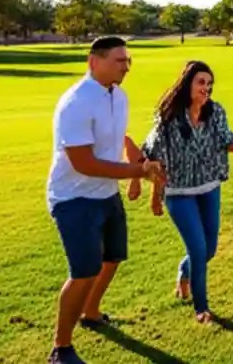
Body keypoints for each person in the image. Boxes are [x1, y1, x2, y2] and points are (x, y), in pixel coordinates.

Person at [45, 36, 164, 364]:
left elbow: (118, 136)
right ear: (93, 61)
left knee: (112, 258)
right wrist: (137, 172)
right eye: (118, 60)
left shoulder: (118, 95)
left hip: (106, 194)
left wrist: (134, 156)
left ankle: (91, 311)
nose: (125, 66)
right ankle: (61, 349)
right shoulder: (76, 103)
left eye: (128, 61)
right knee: (83, 271)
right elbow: (84, 163)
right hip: (75, 198)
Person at [139, 60, 233, 324]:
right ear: (188, 84)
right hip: (179, 192)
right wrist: (155, 196)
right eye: (201, 82)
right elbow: (154, 157)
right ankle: (201, 308)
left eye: (209, 84)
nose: (206, 88)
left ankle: (184, 273)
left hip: (209, 188)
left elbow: (227, 142)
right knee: (197, 247)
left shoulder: (215, 112)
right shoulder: (169, 117)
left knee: (210, 249)